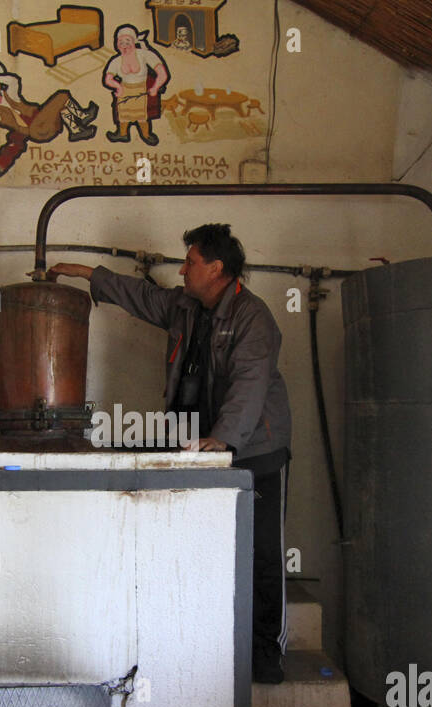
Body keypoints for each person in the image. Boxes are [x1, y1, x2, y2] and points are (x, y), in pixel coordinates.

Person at [47, 225, 292, 683]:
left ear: (216, 269)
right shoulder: (185, 307)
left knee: (261, 554)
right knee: (198, 550)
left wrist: (226, 438)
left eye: (191, 261)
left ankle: (266, 654)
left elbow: (250, 382)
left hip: (254, 449)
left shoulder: (253, 317)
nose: (182, 269)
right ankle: (209, 645)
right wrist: (86, 273)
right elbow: (138, 294)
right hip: (198, 447)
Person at [0, 67, 98, 175]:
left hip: (45, 123)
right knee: (61, 97)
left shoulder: (11, 96)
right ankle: (82, 116)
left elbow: (13, 80)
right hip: (35, 131)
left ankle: (76, 130)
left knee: (61, 106)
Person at [102, 24, 169, 145]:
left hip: (141, 91)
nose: (124, 45)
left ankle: (146, 135)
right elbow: (108, 79)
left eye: (127, 41)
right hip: (124, 91)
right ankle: (122, 134)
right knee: (123, 115)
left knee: (141, 116)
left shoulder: (144, 55)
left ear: (134, 42)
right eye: (121, 42)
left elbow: (162, 74)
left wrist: (155, 87)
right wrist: (118, 86)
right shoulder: (116, 61)